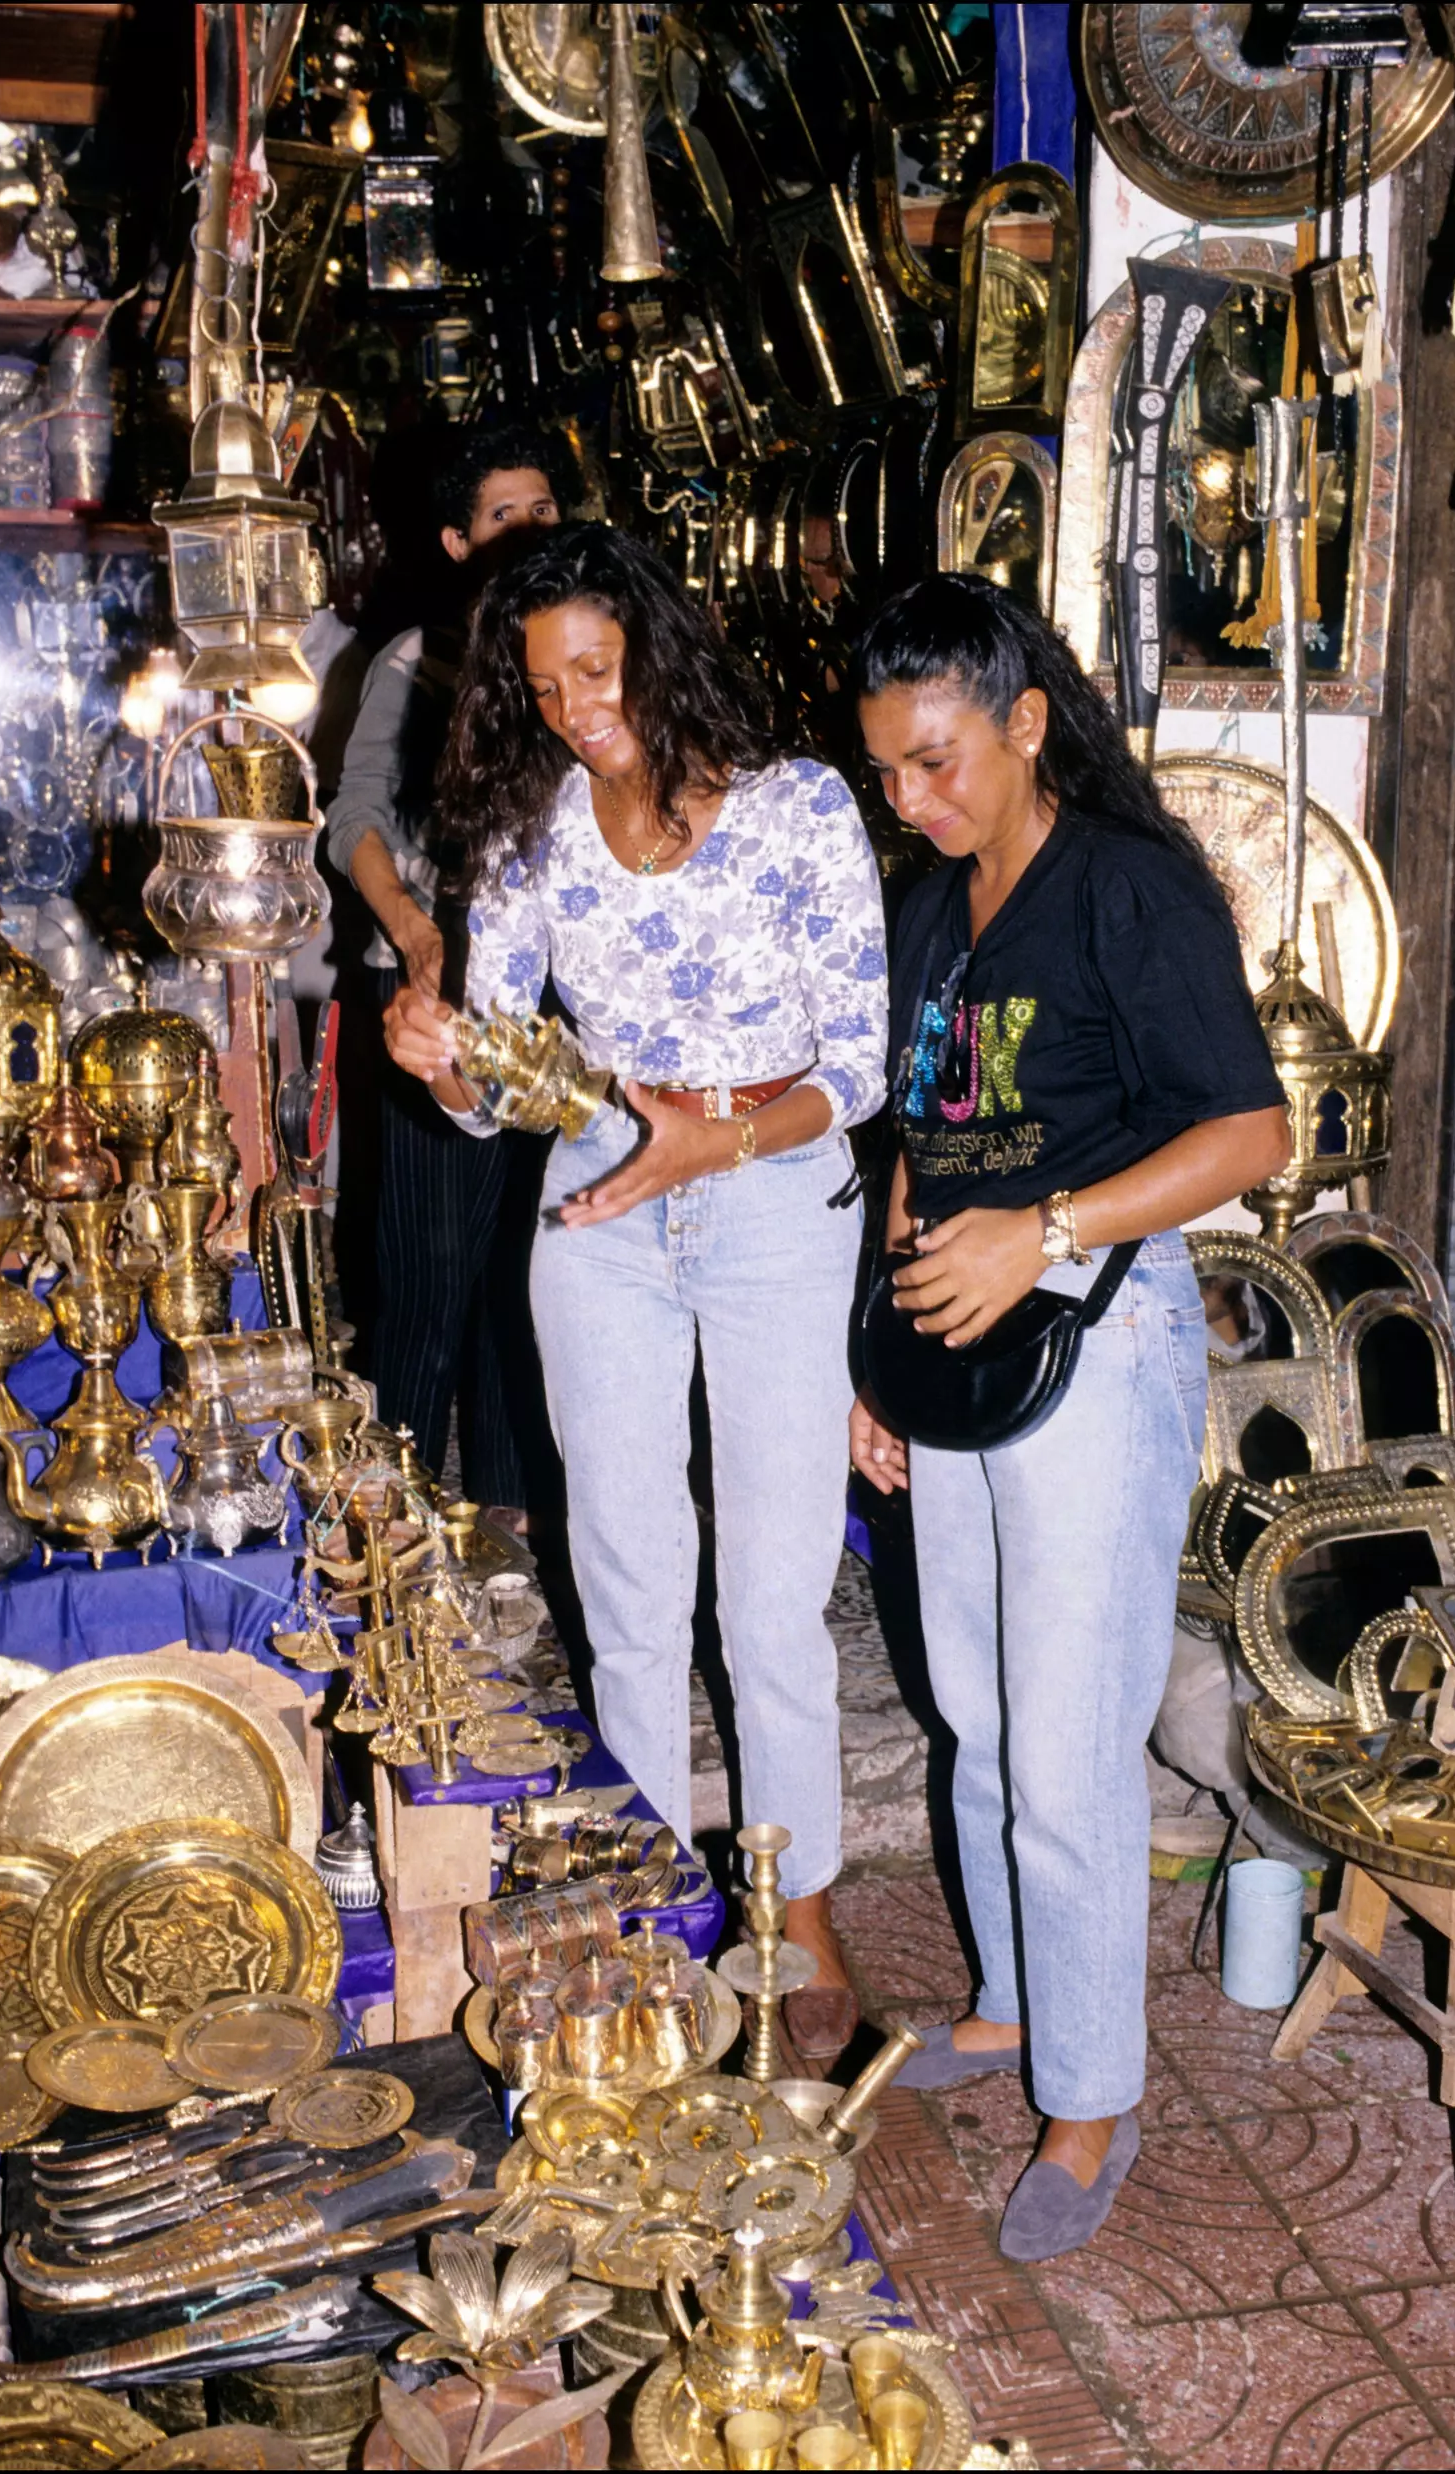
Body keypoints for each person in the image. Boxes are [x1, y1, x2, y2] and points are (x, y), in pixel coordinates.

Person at [383, 524, 888, 2056]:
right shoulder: (535, 830)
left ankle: (792, 1902)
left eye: (594, 670)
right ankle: (659, 1899)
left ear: (656, 649)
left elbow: (858, 1064)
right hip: (599, 1202)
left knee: (776, 1587)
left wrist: (714, 1134)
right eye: (543, 687)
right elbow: (495, 1074)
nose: (574, 707)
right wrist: (446, 1062)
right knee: (624, 1577)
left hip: (773, 1197)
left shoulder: (798, 807)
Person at [849, 574, 1290, 2257]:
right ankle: (1019, 1999)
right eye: (890, 768)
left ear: (1028, 721)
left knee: (1069, 1743)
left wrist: (1046, 1230)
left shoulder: (1129, 886)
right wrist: (871, 1356)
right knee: (973, 1702)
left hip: (1097, 1338)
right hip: (950, 1345)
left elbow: (1248, 1132)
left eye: (940, 759)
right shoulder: (936, 905)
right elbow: (912, 1137)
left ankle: (1091, 2093)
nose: (917, 796)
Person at [325, 422, 574, 1510]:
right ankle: (399, 1541)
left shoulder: (587, 660)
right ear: (454, 540)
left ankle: (510, 1532)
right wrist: (417, 932)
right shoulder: (417, 657)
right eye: (500, 515)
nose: (527, 531)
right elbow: (354, 818)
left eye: (542, 510)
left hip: (557, 1002)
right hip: (430, 992)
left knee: (529, 1277)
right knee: (429, 1269)